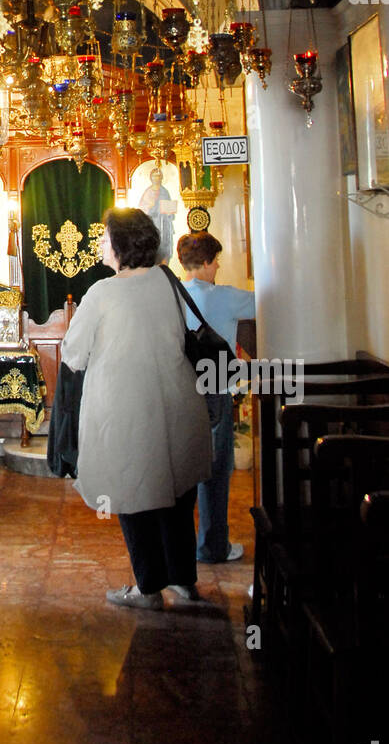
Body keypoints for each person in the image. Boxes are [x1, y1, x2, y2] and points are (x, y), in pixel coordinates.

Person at [60, 208, 213, 610]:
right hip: (178, 401)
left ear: (121, 244)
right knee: (177, 494)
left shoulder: (102, 293)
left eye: (105, 236)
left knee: (133, 494)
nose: (99, 243)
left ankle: (148, 589)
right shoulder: (166, 280)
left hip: (126, 410)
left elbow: (73, 354)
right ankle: (183, 581)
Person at [177, 231, 257, 565]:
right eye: (216, 261)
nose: (218, 267)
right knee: (215, 471)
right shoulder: (225, 296)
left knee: (181, 472)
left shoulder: (173, 296)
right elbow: (271, 301)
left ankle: (178, 549)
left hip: (180, 392)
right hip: (215, 389)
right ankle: (212, 546)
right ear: (208, 263)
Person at [138, 166, 178, 263]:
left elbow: (169, 208)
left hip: (164, 224)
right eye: (155, 176)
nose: (157, 178)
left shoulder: (165, 191)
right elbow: (142, 210)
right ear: (151, 178)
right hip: (153, 223)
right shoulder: (148, 192)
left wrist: (170, 213)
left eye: (158, 176)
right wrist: (150, 207)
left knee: (164, 246)